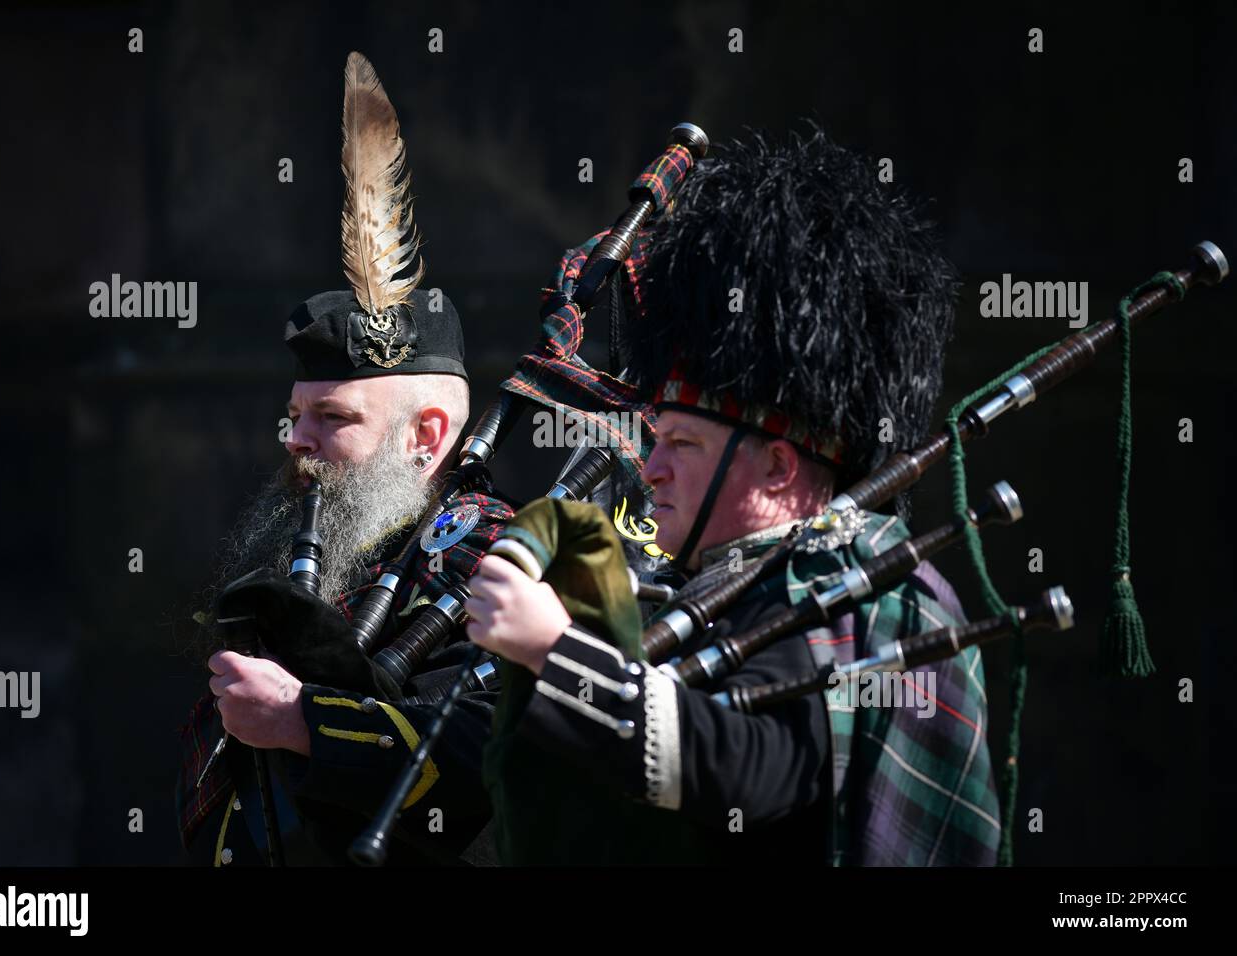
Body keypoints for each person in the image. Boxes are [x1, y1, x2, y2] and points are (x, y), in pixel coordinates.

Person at [469, 125, 1002, 865]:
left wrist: (553, 650)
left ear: (780, 468)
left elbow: (752, 770)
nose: (650, 469)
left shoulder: (847, 585)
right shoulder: (732, 586)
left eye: (682, 445)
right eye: (657, 443)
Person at [174, 52, 514, 867]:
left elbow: (488, 751)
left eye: (331, 417)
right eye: (294, 417)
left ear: (425, 437)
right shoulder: (327, 556)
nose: (296, 439)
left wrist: (303, 720)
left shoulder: (499, 559)